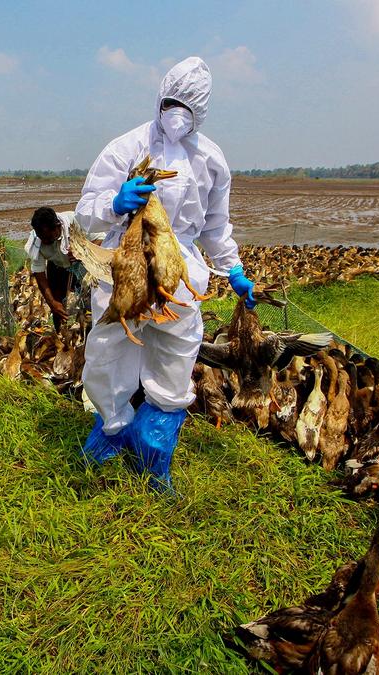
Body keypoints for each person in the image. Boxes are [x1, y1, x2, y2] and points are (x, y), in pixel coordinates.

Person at [75, 57, 256, 493]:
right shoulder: (125, 148)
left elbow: (215, 227)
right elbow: (85, 213)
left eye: (187, 107)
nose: (177, 113)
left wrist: (233, 268)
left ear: (202, 112)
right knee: (108, 351)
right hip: (128, 266)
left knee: (175, 359)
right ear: (160, 98)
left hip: (180, 271)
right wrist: (114, 204)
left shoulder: (212, 161)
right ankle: (112, 429)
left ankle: (153, 450)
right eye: (173, 102)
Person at [25, 206, 88, 331]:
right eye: (42, 238)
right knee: (57, 306)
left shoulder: (76, 221)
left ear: (58, 227)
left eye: (49, 238)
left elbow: (101, 239)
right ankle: (60, 333)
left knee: (86, 302)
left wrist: (82, 253)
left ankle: (86, 333)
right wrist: (52, 303)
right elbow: (39, 273)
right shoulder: (36, 241)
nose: (45, 241)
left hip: (82, 265)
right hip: (57, 266)